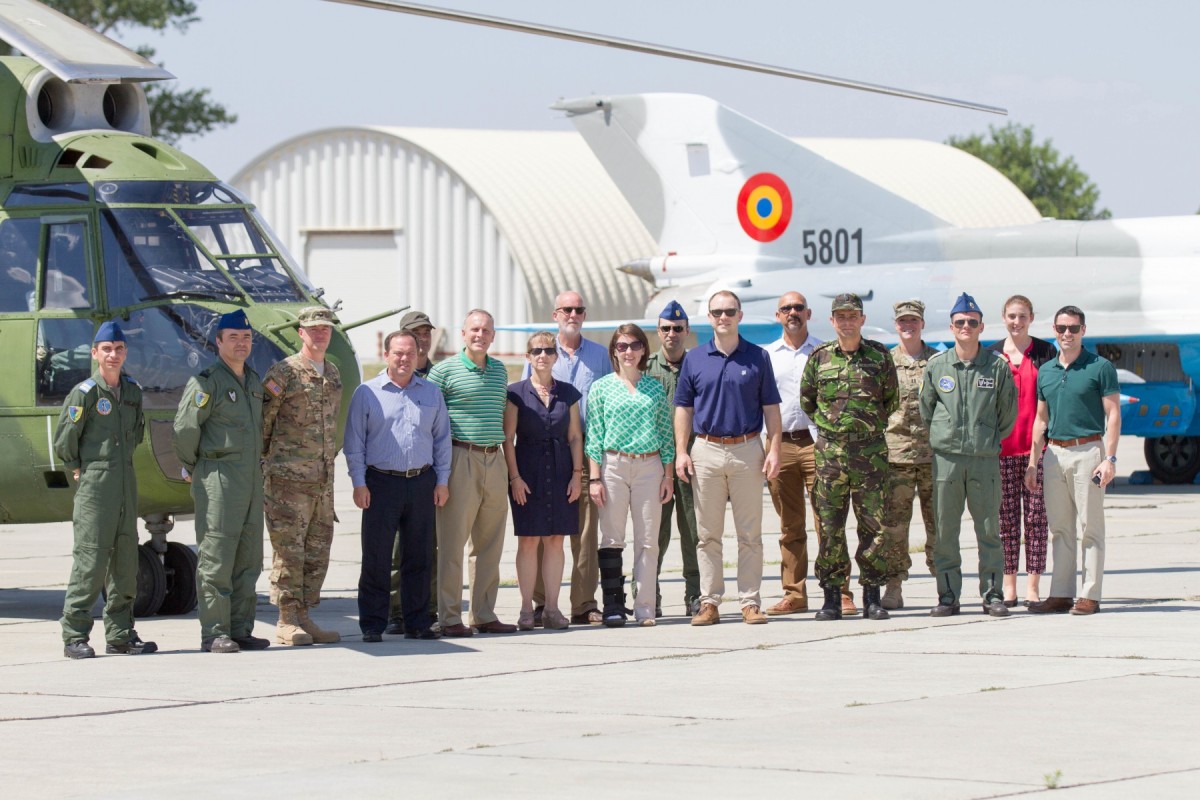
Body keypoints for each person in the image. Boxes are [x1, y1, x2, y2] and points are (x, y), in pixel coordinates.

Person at [675, 290, 782, 626]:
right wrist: (681, 451)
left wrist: (774, 448)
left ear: (740, 315)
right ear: (709, 317)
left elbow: (771, 409)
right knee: (707, 534)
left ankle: (750, 602)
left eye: (729, 311)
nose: (723, 317)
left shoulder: (758, 357)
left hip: (747, 449)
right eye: (717, 312)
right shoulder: (694, 358)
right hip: (705, 450)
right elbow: (684, 409)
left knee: (750, 534)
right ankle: (709, 602)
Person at [56, 321, 155, 659]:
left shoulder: (131, 391)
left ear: (125, 353)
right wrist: (80, 466)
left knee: (126, 560)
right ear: (95, 353)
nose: (113, 355)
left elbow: (137, 434)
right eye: (107, 349)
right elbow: (65, 441)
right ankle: (74, 636)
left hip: (126, 480)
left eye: (119, 349)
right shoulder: (84, 394)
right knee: (91, 560)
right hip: (96, 483)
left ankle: (121, 634)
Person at [173, 310, 268, 653]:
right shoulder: (208, 381)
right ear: (218, 343)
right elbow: (185, 429)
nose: (241, 344)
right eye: (233, 338)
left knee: (249, 557)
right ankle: (214, 633)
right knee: (217, 556)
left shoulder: (253, 381)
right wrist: (194, 466)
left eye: (246, 338)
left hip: (251, 480)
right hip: (219, 478)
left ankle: (241, 628)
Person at [346, 330, 451, 641]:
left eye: (410, 353)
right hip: (381, 483)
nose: (405, 359)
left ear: (418, 355)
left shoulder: (431, 393)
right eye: (399, 353)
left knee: (419, 556)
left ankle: (417, 622)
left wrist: (442, 481)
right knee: (376, 557)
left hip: (422, 482)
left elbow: (442, 440)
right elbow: (354, 443)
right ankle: (373, 624)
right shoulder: (367, 393)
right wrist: (359, 483)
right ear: (386, 355)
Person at [801, 293, 898, 622]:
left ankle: (872, 597)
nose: (846, 322)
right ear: (831, 321)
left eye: (852, 316)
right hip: (831, 456)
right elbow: (808, 401)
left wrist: (864, 428)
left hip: (870, 454)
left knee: (874, 527)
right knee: (830, 527)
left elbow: (891, 399)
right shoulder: (819, 358)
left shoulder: (879, 356)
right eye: (840, 317)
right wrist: (835, 430)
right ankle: (831, 597)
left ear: (862, 319)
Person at [920, 293, 1017, 617]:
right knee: (946, 531)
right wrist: (946, 436)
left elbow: (1008, 414)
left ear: (981, 327)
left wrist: (984, 437)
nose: (966, 327)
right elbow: (927, 409)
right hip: (947, 459)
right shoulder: (937, 366)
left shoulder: (997, 366)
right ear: (951, 327)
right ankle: (948, 596)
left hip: (983, 459)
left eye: (971, 322)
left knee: (989, 529)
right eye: (960, 322)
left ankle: (992, 595)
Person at [522, 290, 611, 625]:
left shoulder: (600, 356)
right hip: (544, 449)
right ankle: (544, 601)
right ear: (555, 314)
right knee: (547, 528)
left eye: (578, 309)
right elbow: (523, 399)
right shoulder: (540, 352)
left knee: (585, 532)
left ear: (584, 315)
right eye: (566, 309)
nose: (572, 314)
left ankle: (584, 603)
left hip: (585, 448)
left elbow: (606, 405)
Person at [1027, 306, 1121, 616]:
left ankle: (1090, 595)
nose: (1067, 333)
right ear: (1054, 330)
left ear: (1083, 330)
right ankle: (1061, 594)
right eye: (1061, 328)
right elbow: (1041, 420)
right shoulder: (1046, 371)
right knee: (1060, 528)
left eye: (1073, 328)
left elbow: (1113, 414)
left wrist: (1109, 458)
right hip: (1054, 455)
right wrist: (1033, 462)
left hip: (1088, 453)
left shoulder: (1100, 367)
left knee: (1090, 526)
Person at [766, 291, 854, 615]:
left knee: (828, 521)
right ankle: (794, 594)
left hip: (820, 444)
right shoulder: (768, 356)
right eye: (786, 308)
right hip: (781, 444)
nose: (793, 312)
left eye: (798, 307)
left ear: (809, 313)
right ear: (778, 316)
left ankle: (839, 591)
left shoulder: (825, 352)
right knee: (790, 525)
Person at [430, 309, 517, 636]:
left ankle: (483, 613)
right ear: (463, 333)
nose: (480, 335)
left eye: (486, 330)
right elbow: (430, 419)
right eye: (474, 329)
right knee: (452, 544)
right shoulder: (443, 371)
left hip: (494, 459)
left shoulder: (499, 371)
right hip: (459, 457)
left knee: (490, 543)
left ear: (493, 335)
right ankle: (450, 617)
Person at [261, 306, 343, 646]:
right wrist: (269, 467)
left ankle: (305, 616)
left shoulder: (333, 373)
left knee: (317, 552)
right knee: (289, 552)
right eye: (314, 329)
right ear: (301, 333)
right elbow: (264, 423)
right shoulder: (284, 373)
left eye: (325, 328)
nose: (320, 333)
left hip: (322, 482)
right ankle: (286, 619)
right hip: (287, 483)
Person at [587, 325, 675, 627]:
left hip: (649, 467)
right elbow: (594, 436)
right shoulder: (601, 388)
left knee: (648, 539)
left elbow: (666, 433)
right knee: (612, 537)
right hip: (613, 464)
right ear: (614, 350)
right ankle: (612, 603)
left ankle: (645, 608)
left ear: (643, 351)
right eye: (622, 346)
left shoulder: (654, 388)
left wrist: (668, 476)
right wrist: (595, 478)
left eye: (634, 345)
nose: (628, 351)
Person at [504, 331, 583, 631]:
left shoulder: (569, 392)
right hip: (528, 471)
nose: (543, 356)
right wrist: (515, 477)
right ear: (528, 356)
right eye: (537, 351)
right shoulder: (516, 393)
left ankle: (551, 608)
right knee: (528, 541)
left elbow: (575, 436)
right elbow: (508, 439)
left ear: (556, 356)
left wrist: (577, 476)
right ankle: (526, 610)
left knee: (555, 541)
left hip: (562, 471)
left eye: (549, 351)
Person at [987, 295, 1057, 607]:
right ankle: (1009, 584)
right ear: (1003, 317)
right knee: (1006, 522)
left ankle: (1033, 586)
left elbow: (1052, 400)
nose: (1017, 322)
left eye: (1023, 316)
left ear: (1031, 317)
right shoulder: (990, 356)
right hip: (1001, 451)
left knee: (1036, 519)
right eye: (1012, 316)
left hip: (1036, 452)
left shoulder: (1045, 352)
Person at [879, 300, 940, 611]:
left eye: (913, 321)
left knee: (939, 526)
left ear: (922, 324)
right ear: (896, 324)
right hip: (897, 457)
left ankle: (945, 582)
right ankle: (893, 586)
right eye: (903, 321)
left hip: (933, 458)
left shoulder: (939, 362)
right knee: (894, 528)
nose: (908, 326)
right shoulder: (885, 362)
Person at [643, 300, 701, 617]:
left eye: (678, 328)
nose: (672, 334)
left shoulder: (699, 365)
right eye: (666, 328)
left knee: (693, 532)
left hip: (692, 461)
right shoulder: (645, 368)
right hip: (654, 464)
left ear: (687, 331)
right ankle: (648, 593)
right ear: (658, 330)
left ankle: (695, 595)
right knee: (654, 532)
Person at [385, 309, 439, 635]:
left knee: (427, 548)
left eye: (426, 333)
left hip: (429, 475)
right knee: (395, 550)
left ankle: (426, 609)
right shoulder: (387, 379)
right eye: (416, 333)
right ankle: (396, 611)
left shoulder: (440, 377)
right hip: (394, 475)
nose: (422, 339)